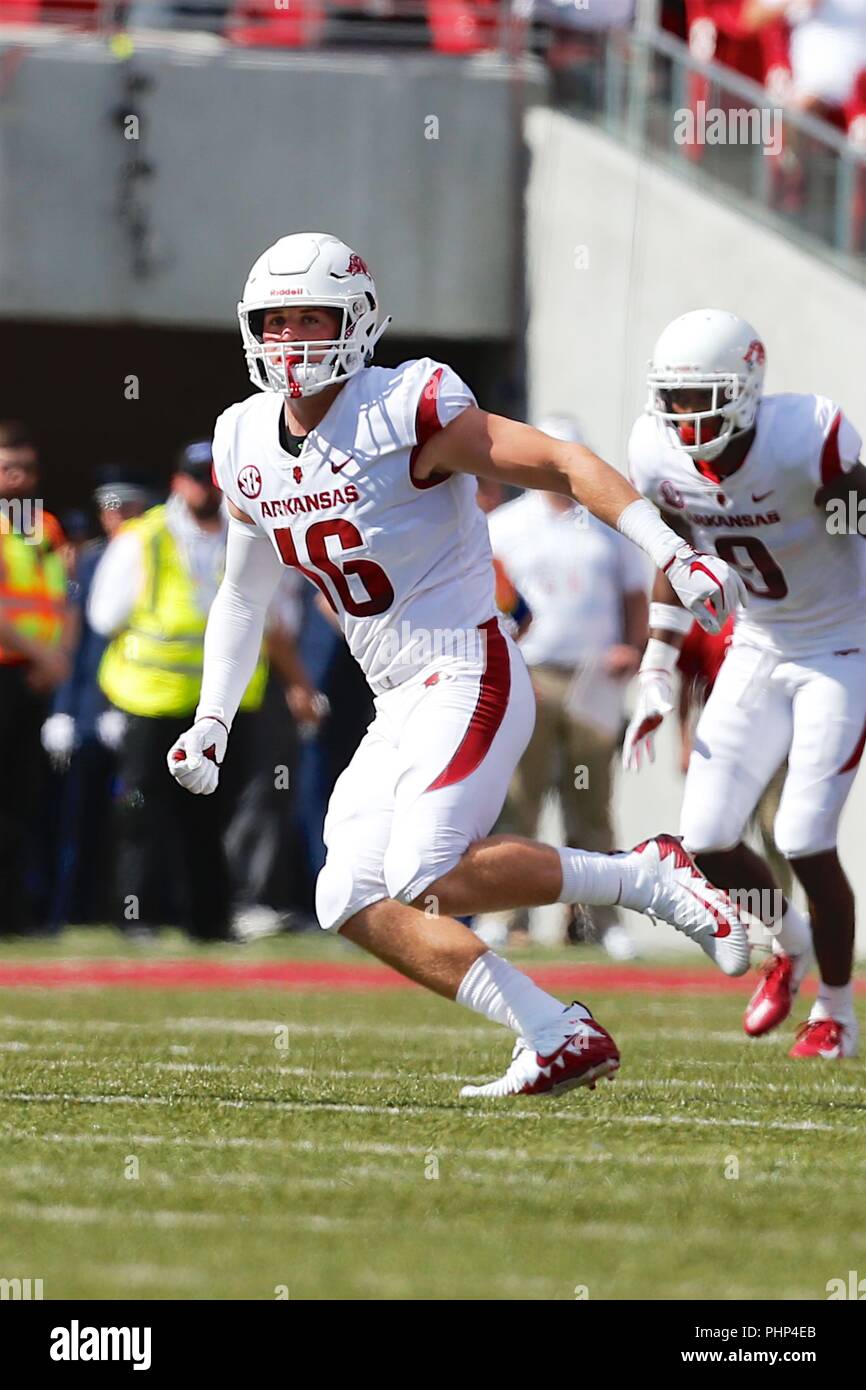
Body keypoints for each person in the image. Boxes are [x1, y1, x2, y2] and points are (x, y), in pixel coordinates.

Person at [167, 232, 748, 1099]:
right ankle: (554, 1032)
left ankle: (647, 876)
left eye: (311, 318)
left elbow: (558, 460)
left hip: (468, 664)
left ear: (357, 323)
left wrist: (672, 547)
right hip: (394, 696)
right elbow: (244, 596)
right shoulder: (242, 437)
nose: (291, 339)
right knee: (349, 897)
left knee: (426, 870)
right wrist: (212, 718)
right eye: (275, 321)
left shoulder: (409, 403)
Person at [625, 308, 866, 1059]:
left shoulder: (808, 439)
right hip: (758, 645)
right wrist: (658, 669)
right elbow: (672, 556)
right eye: (676, 397)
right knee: (707, 837)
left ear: (748, 386)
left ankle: (835, 1013)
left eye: (704, 396)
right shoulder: (654, 455)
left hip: (841, 646)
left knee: (801, 834)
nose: (687, 416)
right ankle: (787, 946)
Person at [90, 442, 319, 939]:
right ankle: (138, 917)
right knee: (141, 810)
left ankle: (210, 920)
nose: (208, 489)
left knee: (214, 812)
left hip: (223, 705)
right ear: (178, 482)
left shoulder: (252, 534)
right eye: (198, 478)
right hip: (150, 698)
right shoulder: (144, 537)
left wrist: (297, 683)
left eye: (216, 479)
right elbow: (104, 616)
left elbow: (276, 621)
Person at [479, 415, 648, 959]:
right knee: (519, 802)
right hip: (528, 671)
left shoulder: (605, 525)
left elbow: (634, 597)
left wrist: (635, 647)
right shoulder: (505, 523)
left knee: (592, 805)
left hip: (593, 676)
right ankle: (505, 915)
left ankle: (603, 920)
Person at [0, 420, 73, 933]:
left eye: (24, 468)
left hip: (36, 677)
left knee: (23, 796)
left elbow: (63, 599)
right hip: (8, 670)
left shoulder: (42, 527)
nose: (16, 478)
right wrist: (47, 658)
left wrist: (57, 658)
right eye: (6, 468)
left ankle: (17, 911)